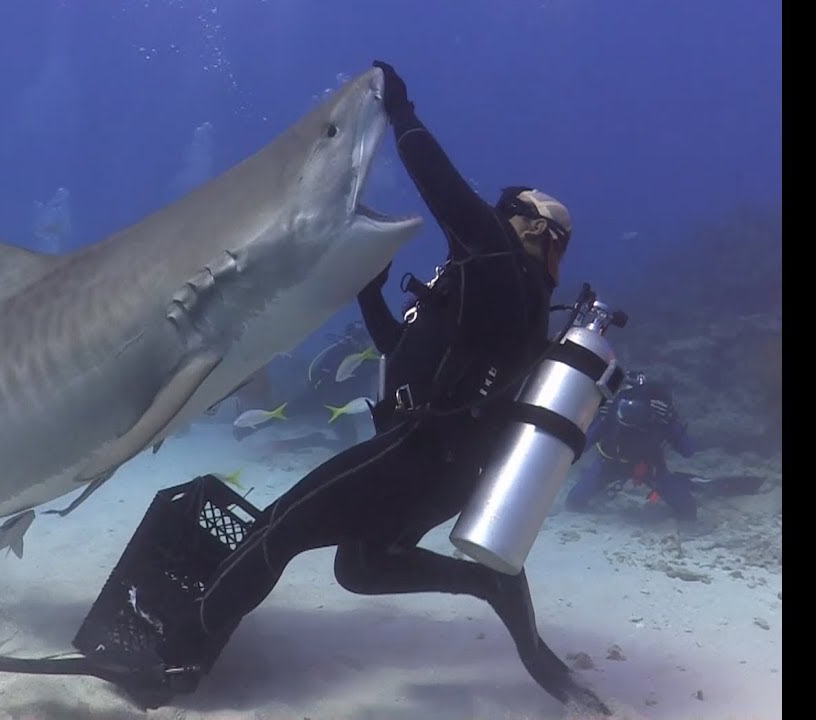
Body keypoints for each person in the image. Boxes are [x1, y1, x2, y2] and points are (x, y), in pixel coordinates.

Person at [135, 60, 609, 713]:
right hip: (444, 464)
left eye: (508, 213)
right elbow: (404, 354)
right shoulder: (509, 296)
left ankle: (176, 661)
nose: (494, 219)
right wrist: (370, 298)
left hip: (420, 453)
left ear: (530, 230)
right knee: (360, 568)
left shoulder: (500, 265)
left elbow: (443, 188)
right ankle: (488, 585)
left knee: (280, 529)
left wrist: (401, 110)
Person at [564, 373, 702, 521]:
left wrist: (672, 421)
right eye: (625, 405)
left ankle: (684, 481)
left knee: (688, 511)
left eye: (636, 407)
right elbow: (583, 445)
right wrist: (598, 417)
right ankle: (680, 481)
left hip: (649, 467)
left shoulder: (658, 417)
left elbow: (688, 450)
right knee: (573, 502)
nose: (630, 412)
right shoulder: (610, 413)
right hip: (610, 464)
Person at [232, 320, 380, 452]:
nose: (359, 341)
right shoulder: (338, 352)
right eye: (357, 336)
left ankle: (315, 440)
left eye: (361, 336)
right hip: (320, 397)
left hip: (338, 405)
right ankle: (243, 429)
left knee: (348, 444)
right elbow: (317, 374)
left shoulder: (367, 359)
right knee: (279, 413)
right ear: (349, 337)